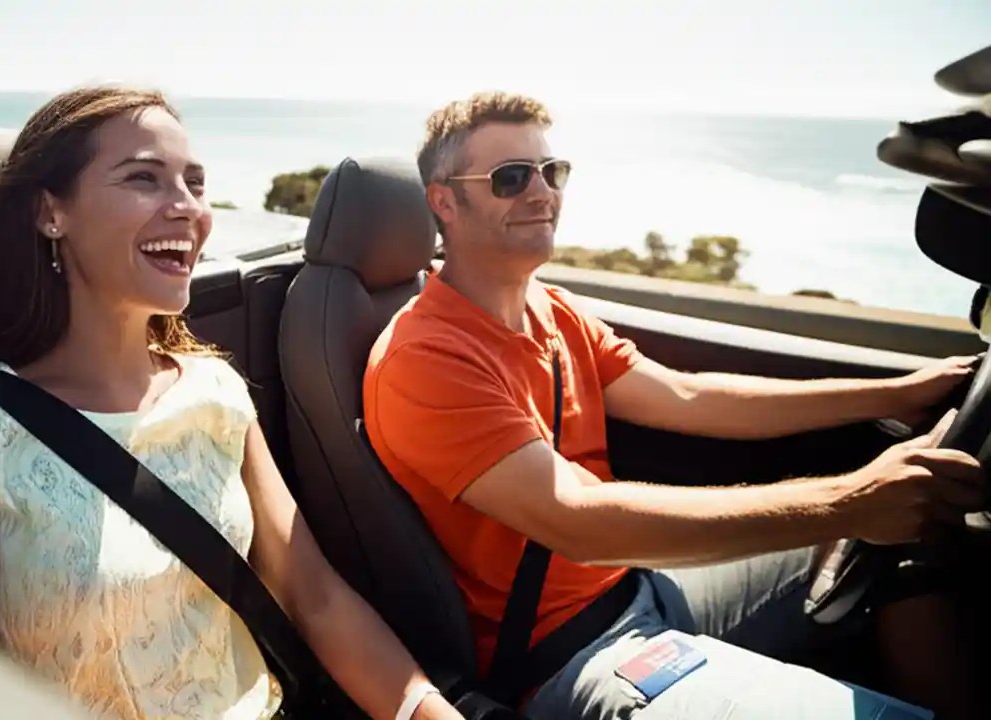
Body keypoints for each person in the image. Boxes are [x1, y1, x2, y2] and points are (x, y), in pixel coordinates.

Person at [363, 91, 982, 719]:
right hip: (569, 654)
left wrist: (899, 393)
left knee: (899, 547)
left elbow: (688, 396)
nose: (543, 192)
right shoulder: (425, 358)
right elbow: (574, 521)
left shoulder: (551, 309)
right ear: (445, 201)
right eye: (511, 177)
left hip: (640, 586)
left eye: (553, 172)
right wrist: (846, 501)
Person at [0, 85, 463, 720]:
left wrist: (429, 710)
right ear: (52, 213)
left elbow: (314, 596)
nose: (187, 207)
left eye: (195, 183)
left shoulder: (215, 393)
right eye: (144, 178)